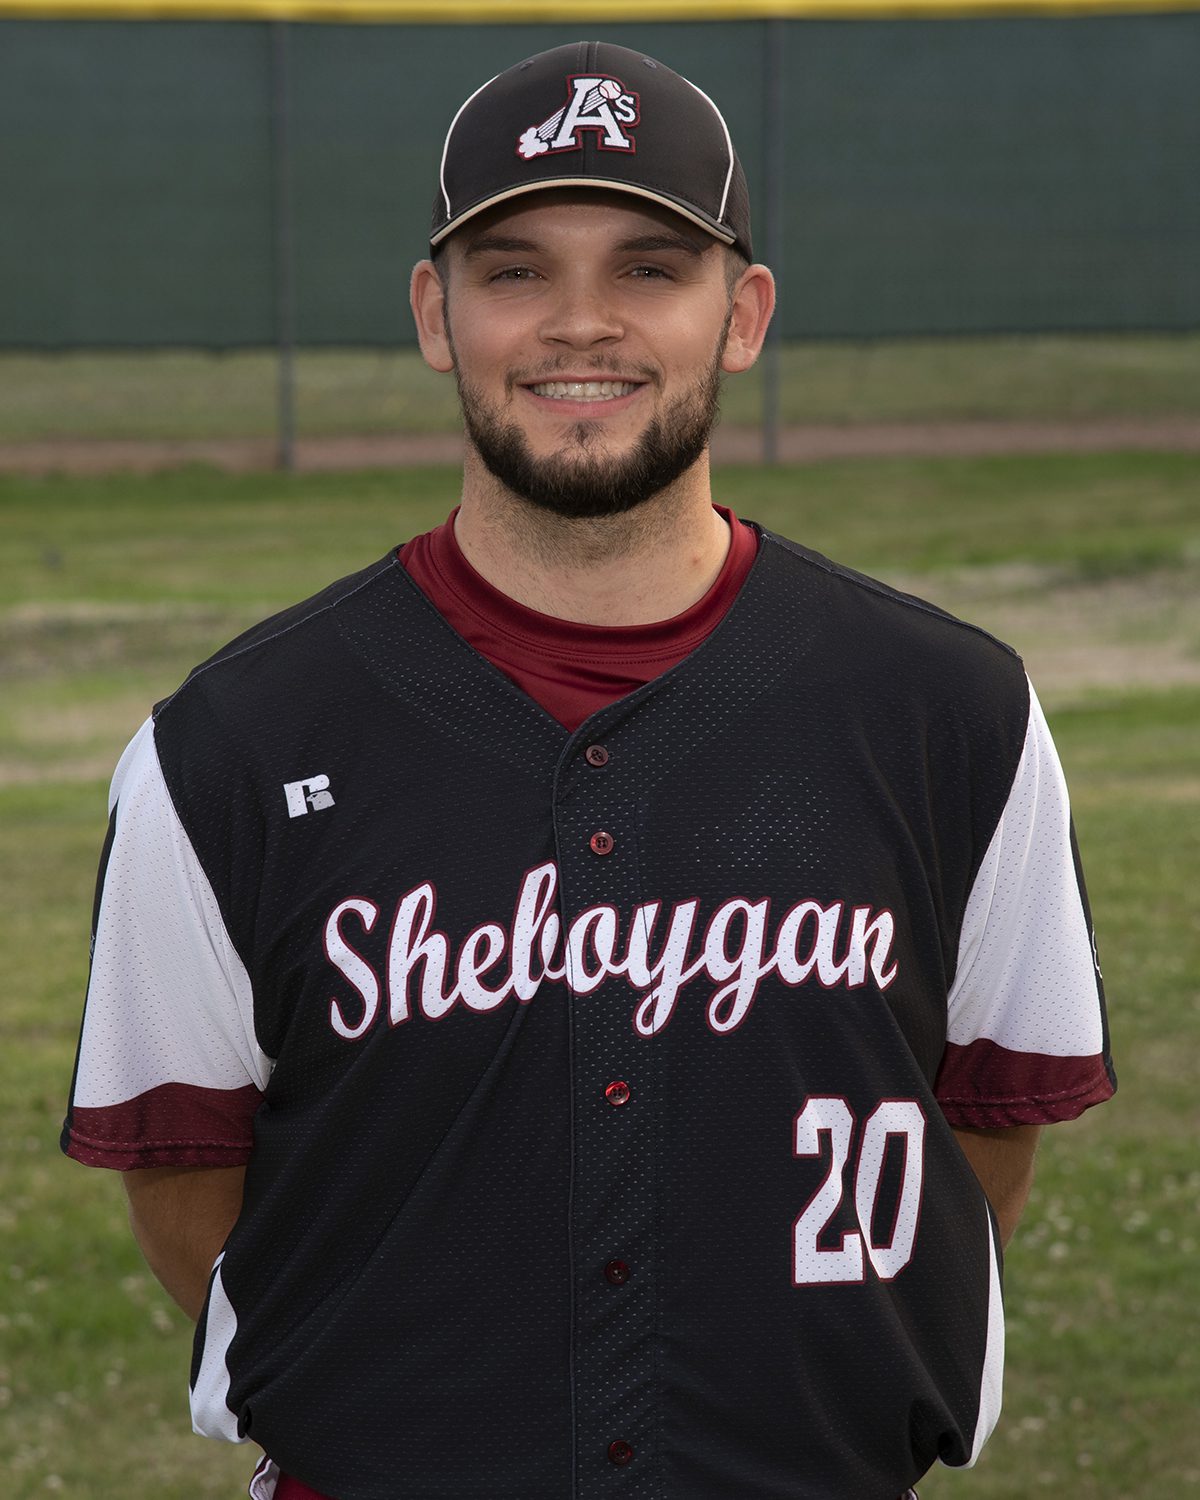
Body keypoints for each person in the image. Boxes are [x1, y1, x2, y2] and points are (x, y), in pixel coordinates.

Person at [62, 40, 1115, 1500]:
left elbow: (984, 1126)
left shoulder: (953, 709)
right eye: (513, 272)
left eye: (646, 269)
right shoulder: (231, 744)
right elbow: (185, 1176)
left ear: (741, 314)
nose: (579, 325)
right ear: (436, 315)